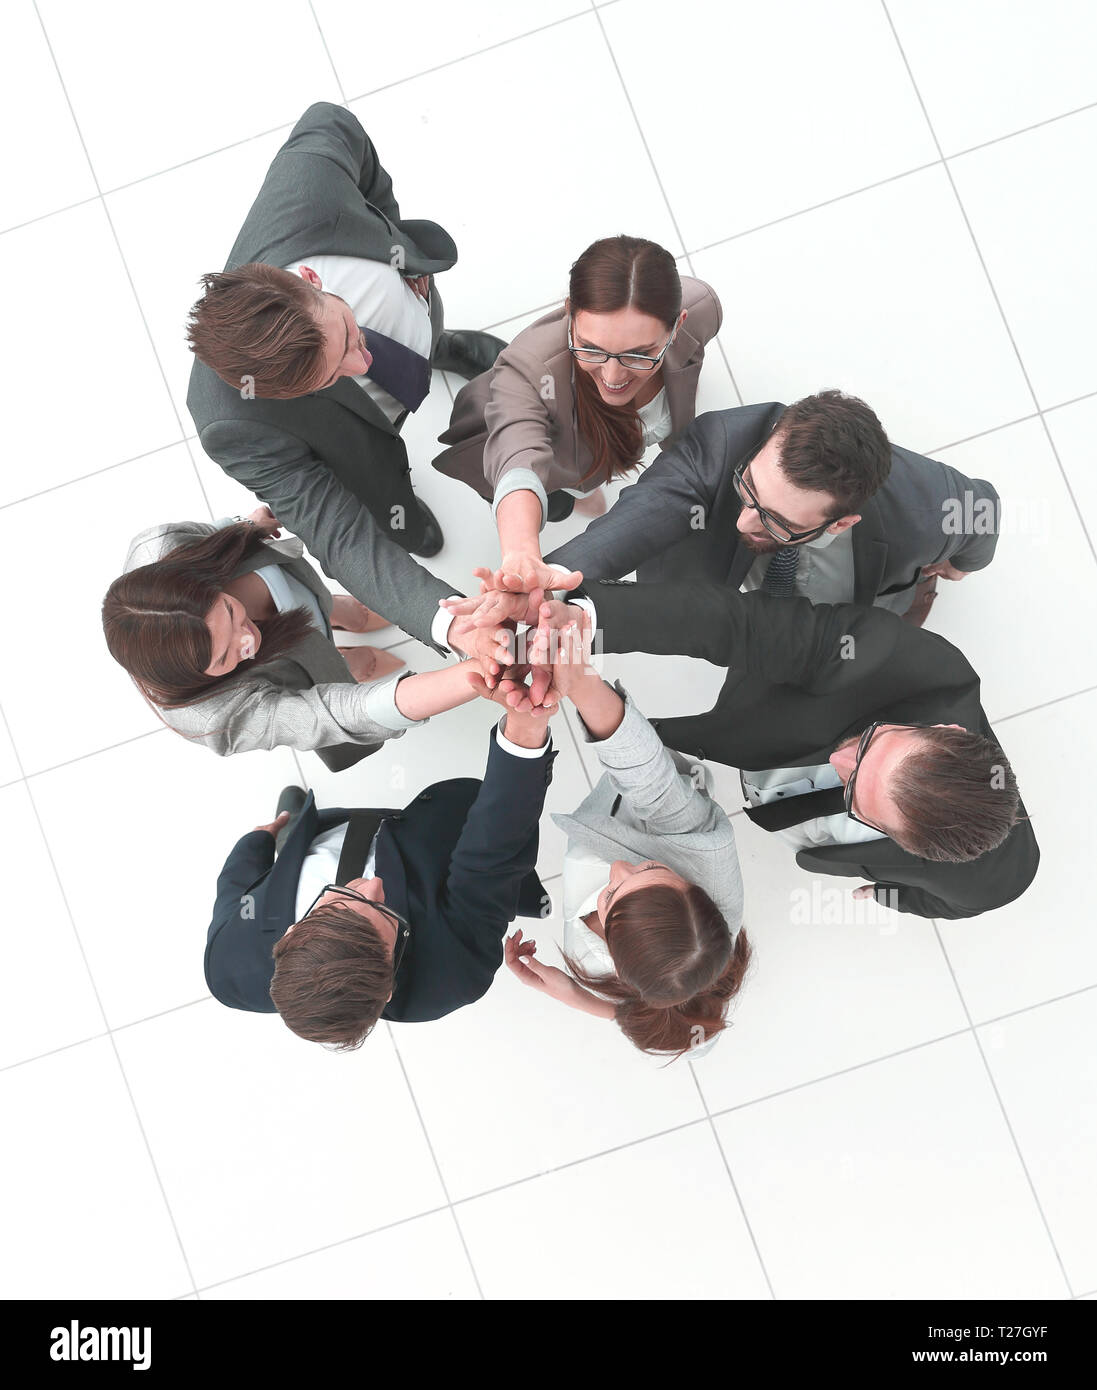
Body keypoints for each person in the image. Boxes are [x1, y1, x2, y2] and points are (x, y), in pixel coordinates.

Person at [485, 583, 1038, 921]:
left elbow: (948, 903)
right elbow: (735, 626)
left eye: (857, 797)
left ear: (908, 845)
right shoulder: (893, 660)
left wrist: (888, 898)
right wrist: (587, 621)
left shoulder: (995, 882)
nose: (839, 762)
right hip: (765, 720)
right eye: (870, 745)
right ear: (949, 731)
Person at [186, 100, 510, 658]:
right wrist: (451, 626)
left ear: (310, 278)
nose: (360, 367)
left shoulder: (308, 188)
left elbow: (334, 121)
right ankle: (404, 512)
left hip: (409, 311)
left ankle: (440, 348)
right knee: (387, 503)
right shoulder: (229, 423)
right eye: (328, 375)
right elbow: (341, 536)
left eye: (346, 340)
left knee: (424, 340)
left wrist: (385, 225)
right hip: (362, 442)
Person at [204, 699, 557, 1046]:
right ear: (388, 989)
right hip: (440, 845)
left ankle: (294, 829)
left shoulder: (229, 969)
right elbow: (495, 844)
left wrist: (259, 841)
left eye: (338, 899)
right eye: (387, 917)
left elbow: (234, 892)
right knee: (501, 868)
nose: (374, 886)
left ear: (290, 934)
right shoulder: (453, 969)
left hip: (338, 832)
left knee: (294, 837)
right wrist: (525, 726)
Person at [502, 613, 750, 1059]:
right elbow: (649, 777)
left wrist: (587, 1001)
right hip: (640, 796)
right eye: (649, 866)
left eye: (611, 894)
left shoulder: (602, 968)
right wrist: (579, 683)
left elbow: (681, 1032)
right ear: (696, 890)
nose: (618, 865)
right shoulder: (704, 851)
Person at [542, 390, 1002, 627]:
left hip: (870, 607)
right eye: (748, 487)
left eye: (777, 522)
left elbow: (985, 509)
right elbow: (634, 520)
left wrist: (961, 564)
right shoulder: (721, 442)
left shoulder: (930, 506)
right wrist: (538, 586)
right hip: (731, 593)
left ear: (841, 522)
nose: (744, 519)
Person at [433, 235, 722, 592]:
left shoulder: (703, 307)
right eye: (591, 348)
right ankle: (471, 355)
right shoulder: (527, 370)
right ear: (569, 314)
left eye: (639, 354)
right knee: (556, 502)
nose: (614, 378)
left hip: (568, 415)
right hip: (538, 412)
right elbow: (517, 453)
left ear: (677, 326)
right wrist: (522, 550)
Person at [103, 512, 497, 771]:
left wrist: (246, 527)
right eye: (225, 657)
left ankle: (338, 614)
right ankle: (343, 662)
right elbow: (327, 715)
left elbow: (215, 539)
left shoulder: (160, 546)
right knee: (325, 673)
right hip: (295, 676)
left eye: (229, 612)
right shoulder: (213, 718)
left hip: (287, 595)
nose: (248, 643)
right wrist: (476, 672)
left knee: (317, 604)